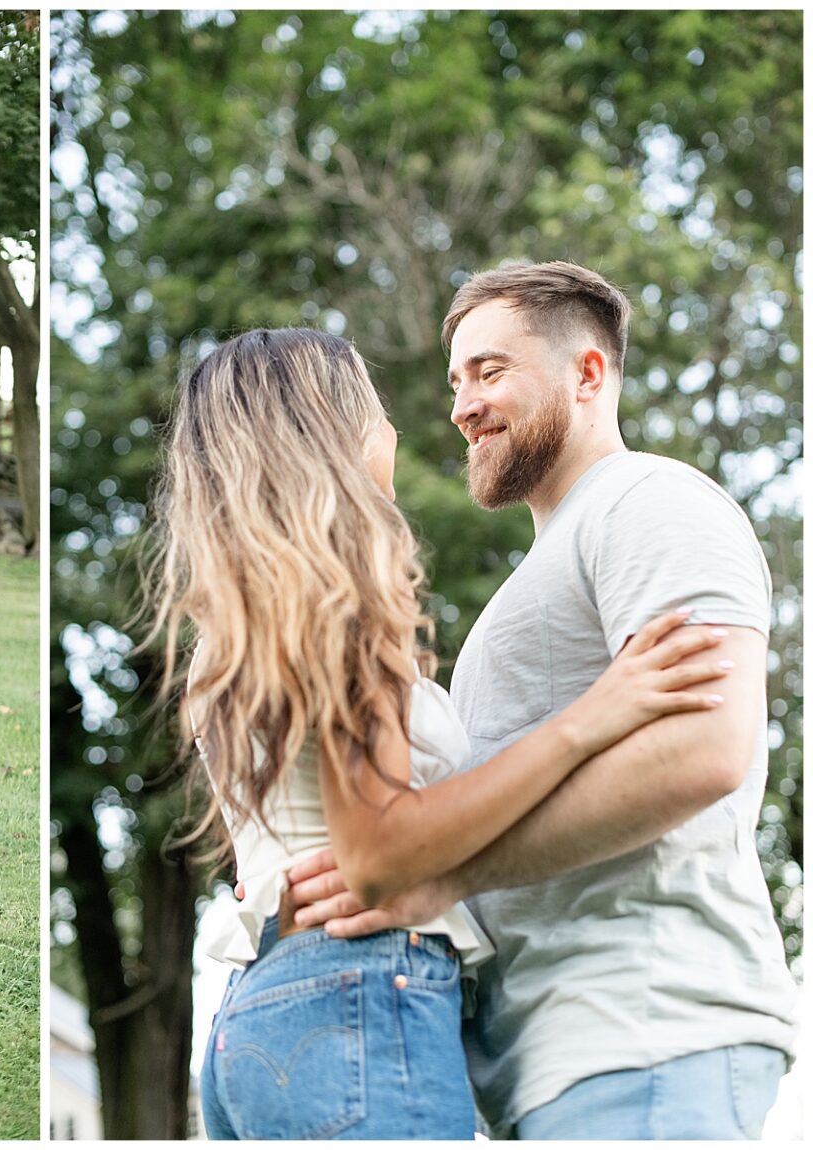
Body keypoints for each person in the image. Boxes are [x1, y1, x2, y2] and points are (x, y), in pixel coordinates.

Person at [149, 327, 729, 1140]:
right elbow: (378, 852)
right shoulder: (343, 583)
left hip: (251, 1021)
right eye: (378, 410)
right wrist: (588, 720)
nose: (396, 431)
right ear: (340, 428)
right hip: (357, 994)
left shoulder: (235, 624)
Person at [284, 261, 798, 1139]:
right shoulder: (538, 577)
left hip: (644, 1032)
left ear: (588, 374)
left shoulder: (651, 502)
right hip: (546, 1067)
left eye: (490, 371)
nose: (461, 406)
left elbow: (707, 750)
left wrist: (445, 875)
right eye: (455, 382)